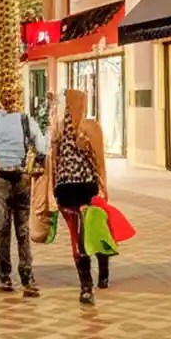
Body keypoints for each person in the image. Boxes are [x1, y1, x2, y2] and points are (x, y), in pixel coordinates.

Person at [0, 87, 48, 296]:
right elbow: (41, 146)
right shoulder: (26, 120)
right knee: (22, 230)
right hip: (22, 177)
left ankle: (5, 277)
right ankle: (27, 277)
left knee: (2, 228)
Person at [49, 88, 108, 305]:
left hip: (69, 191)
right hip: (81, 191)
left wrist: (53, 187)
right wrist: (104, 186)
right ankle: (92, 280)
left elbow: (53, 162)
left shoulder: (61, 128)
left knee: (79, 235)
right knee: (89, 231)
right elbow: (99, 161)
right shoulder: (88, 128)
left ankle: (89, 282)